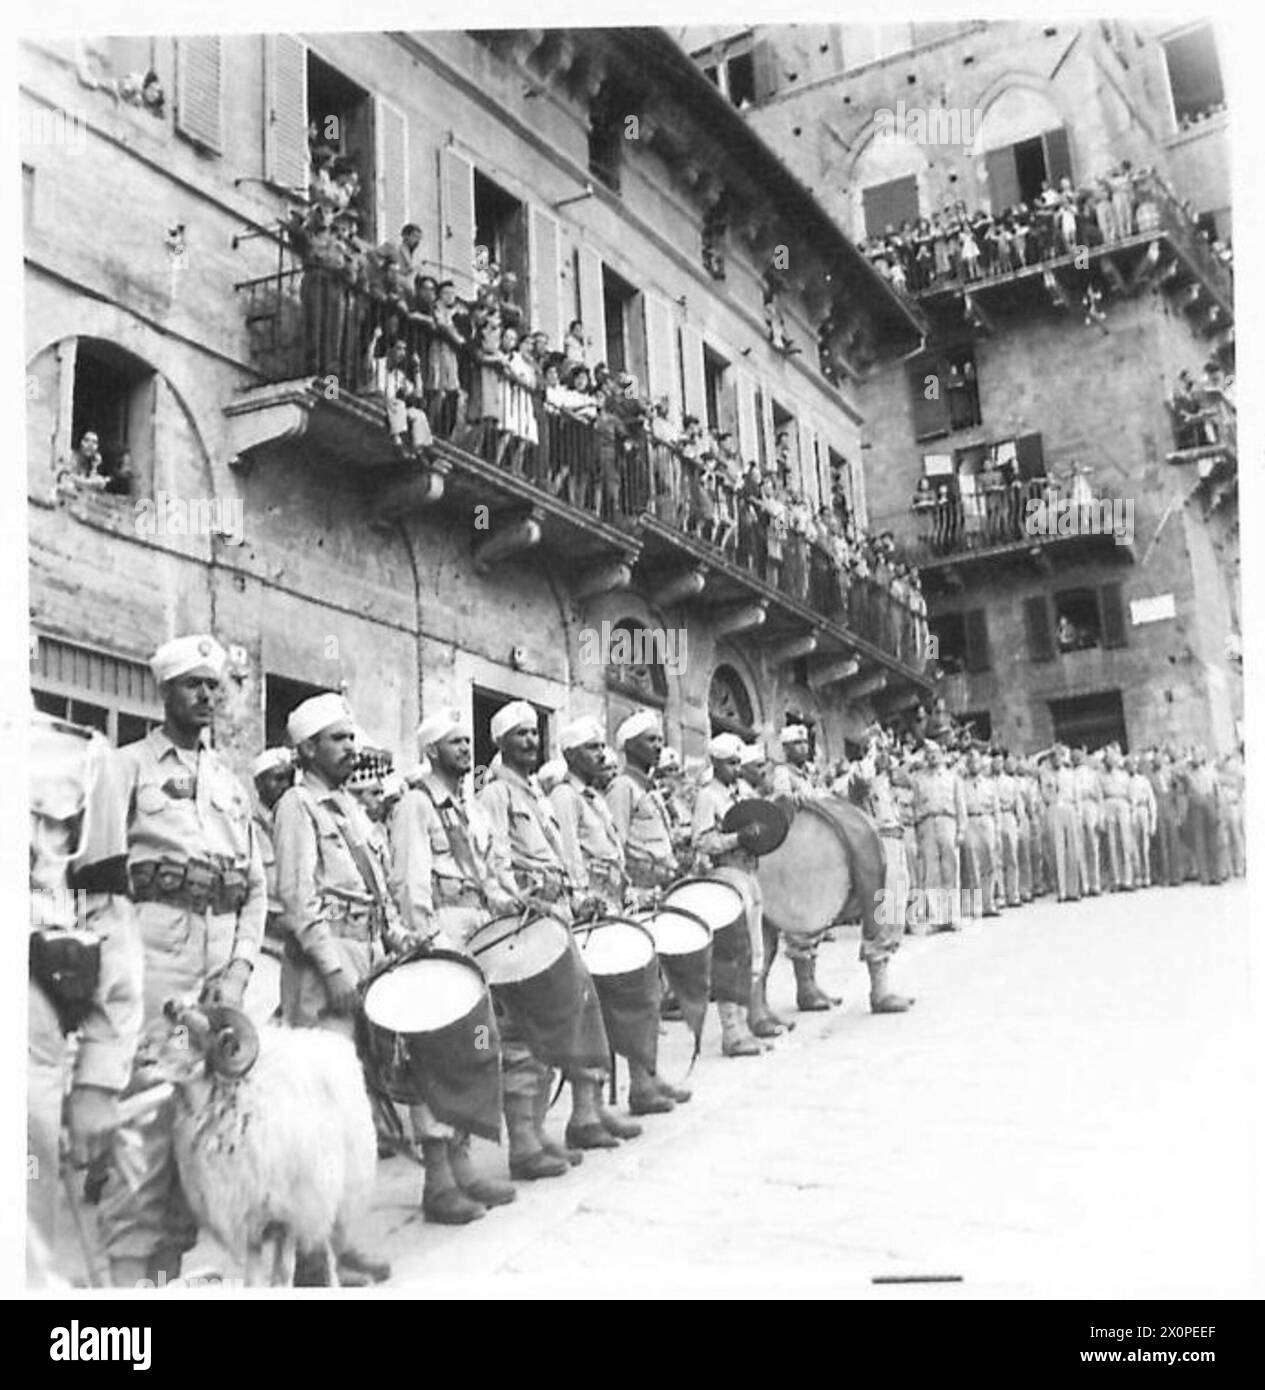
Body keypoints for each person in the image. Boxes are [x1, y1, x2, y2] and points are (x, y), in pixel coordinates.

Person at [97, 635, 267, 1289]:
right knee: (144, 1120)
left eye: (214, 685)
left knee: (206, 1122)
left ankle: (172, 1264)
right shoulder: (125, 767)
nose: (206, 695)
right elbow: (96, 877)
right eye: (192, 683)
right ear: (163, 691)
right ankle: (125, 1283)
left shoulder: (228, 782)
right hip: (152, 964)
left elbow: (254, 887)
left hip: (221, 968)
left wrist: (243, 966)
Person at [270, 691, 393, 1283]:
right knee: (315, 1120)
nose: (352, 748)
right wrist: (335, 969)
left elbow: (376, 888)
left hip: (365, 960)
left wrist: (391, 944)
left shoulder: (350, 807)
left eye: (352, 737)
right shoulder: (297, 805)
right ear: (307, 748)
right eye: (339, 739)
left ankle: (344, 1241)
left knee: (350, 1115)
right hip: (325, 976)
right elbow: (297, 899)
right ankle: (311, 1256)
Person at [385, 708, 521, 1214]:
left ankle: (464, 1163)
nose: (465, 749)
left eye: (468, 741)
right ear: (431, 751)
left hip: (477, 932)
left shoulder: (469, 811)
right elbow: (410, 882)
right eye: (454, 742)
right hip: (440, 935)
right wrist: (430, 944)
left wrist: (510, 906)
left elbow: (489, 875)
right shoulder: (415, 807)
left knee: (471, 1050)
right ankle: (438, 1180)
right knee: (435, 1054)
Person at [28, 709, 142, 1289]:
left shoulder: (77, 759)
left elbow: (107, 918)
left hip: (26, 1044)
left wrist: (98, 1077)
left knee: (25, 1240)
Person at [477, 701, 615, 1153]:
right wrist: (521, 899)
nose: (531, 741)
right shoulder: (495, 795)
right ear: (500, 742)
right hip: (525, 924)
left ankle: (581, 1115)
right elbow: (493, 863)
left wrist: (575, 895)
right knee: (525, 1029)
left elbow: (559, 854)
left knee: (578, 1010)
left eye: (535, 733)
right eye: (520, 734)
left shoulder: (534, 793)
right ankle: (525, 1140)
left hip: (556, 918)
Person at [550, 716, 660, 1132]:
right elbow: (568, 854)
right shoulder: (565, 796)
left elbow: (613, 851)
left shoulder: (593, 797)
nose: (602, 754)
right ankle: (585, 1112)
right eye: (592, 749)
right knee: (588, 1009)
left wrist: (627, 891)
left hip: (612, 906)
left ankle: (617, 1097)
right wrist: (579, 898)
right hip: (588, 914)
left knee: (620, 1001)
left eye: (602, 746)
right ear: (570, 755)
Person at [691, 733, 768, 1057]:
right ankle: (731, 1031)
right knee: (733, 950)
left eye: (739, 763)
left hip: (750, 873)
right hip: (726, 874)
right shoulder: (708, 797)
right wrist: (738, 837)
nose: (736, 769)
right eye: (730, 763)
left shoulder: (741, 793)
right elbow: (702, 841)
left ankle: (746, 1023)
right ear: (716, 763)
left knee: (754, 949)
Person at [766, 724, 840, 1014]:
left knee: (813, 919)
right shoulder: (783, 775)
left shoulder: (807, 774)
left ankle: (811, 983)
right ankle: (805, 989)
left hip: (812, 849)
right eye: (796, 744)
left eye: (804, 743)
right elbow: (784, 806)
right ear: (786, 748)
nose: (803, 748)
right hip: (794, 849)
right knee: (801, 921)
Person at [247, 747, 295, 1023]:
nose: (284, 786)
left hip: (290, 941)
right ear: (258, 784)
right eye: (276, 779)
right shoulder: (249, 824)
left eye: (289, 778)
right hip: (263, 941)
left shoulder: (293, 819)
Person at [912, 738, 965, 931]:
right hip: (927, 823)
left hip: (948, 821)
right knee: (931, 873)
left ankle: (953, 916)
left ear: (942, 755)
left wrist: (961, 830)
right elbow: (916, 806)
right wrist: (918, 834)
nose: (932, 757)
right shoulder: (919, 779)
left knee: (950, 870)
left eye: (935, 754)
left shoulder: (952, 777)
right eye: (929, 755)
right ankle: (936, 918)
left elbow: (960, 805)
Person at [959, 746, 1000, 919]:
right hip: (971, 820)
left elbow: (996, 808)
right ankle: (976, 906)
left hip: (986, 820)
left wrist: (997, 829)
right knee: (972, 865)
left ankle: (988, 902)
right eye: (970, 762)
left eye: (976, 761)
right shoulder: (961, 785)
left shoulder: (990, 784)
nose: (973, 765)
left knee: (989, 862)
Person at [1099, 745, 1135, 892]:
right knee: (1112, 843)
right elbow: (1100, 797)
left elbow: (1130, 793)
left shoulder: (1124, 775)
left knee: (1125, 842)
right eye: (1108, 758)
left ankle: (1128, 879)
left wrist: (1131, 810)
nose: (1111, 761)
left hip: (1122, 804)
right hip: (1109, 804)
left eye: (1113, 758)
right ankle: (1116, 879)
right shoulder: (1101, 776)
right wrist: (1101, 816)